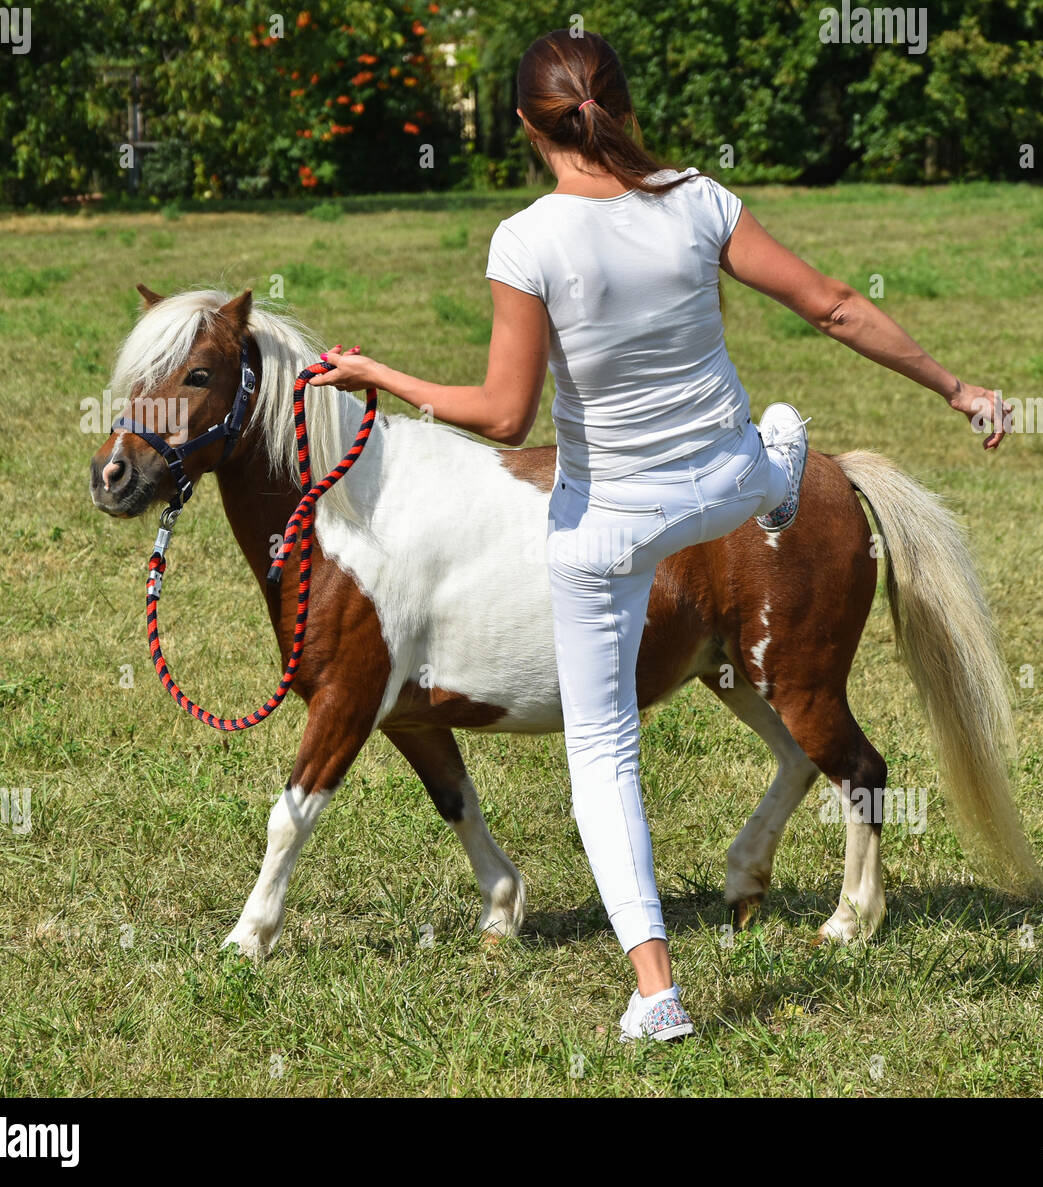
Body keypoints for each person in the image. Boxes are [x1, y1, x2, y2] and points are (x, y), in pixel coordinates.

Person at [313, 29, 1007, 1042]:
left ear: (523, 125)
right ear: (624, 108)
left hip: (606, 528)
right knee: (764, 452)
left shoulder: (527, 238)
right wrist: (957, 387)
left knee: (601, 758)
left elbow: (505, 418)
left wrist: (383, 377)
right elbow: (837, 307)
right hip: (725, 488)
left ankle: (656, 992)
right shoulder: (698, 199)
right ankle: (780, 460)